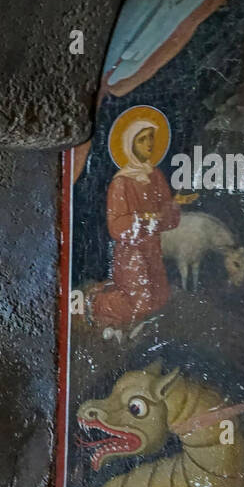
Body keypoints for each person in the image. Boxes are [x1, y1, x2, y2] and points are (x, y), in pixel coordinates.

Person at [88, 119, 197, 332]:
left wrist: (175, 204)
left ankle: (113, 294)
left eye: (151, 138)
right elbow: (117, 227)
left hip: (153, 250)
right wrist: (149, 216)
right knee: (142, 304)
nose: (148, 144)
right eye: (142, 140)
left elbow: (169, 221)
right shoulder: (121, 183)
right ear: (130, 144)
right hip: (131, 254)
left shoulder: (155, 176)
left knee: (160, 300)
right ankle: (95, 303)